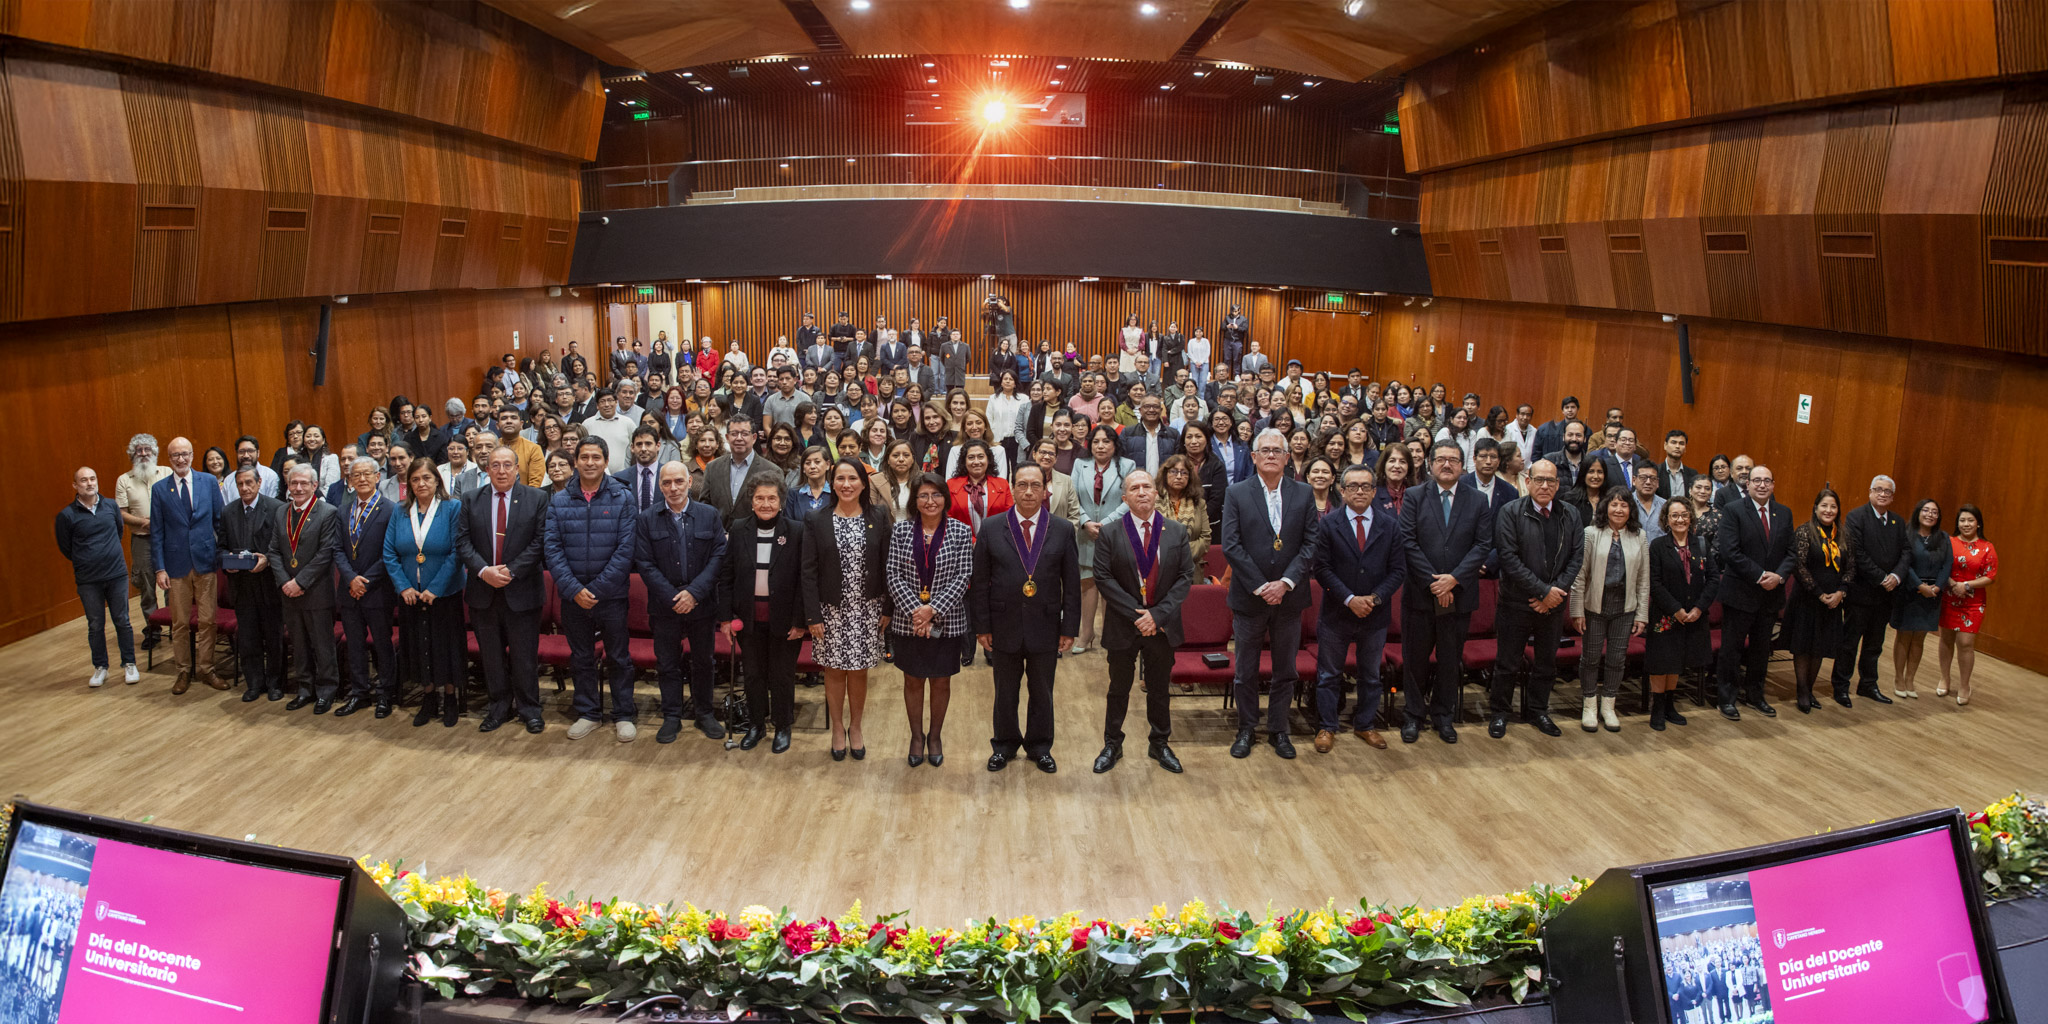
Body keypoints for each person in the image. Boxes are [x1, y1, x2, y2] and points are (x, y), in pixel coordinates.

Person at [972, 461, 1081, 774]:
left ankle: (1040, 746)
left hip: (1046, 624)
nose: (1029, 491)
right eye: (1022, 485)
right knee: (1005, 692)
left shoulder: (1062, 529)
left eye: (1036, 485)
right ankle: (1004, 745)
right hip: (1002, 624)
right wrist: (982, 626)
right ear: (1012, 488)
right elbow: (980, 582)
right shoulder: (992, 527)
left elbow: (1072, 583)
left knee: (1042, 691)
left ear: (1046, 490)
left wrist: (1069, 627)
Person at [1219, 428, 1320, 759]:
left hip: (1290, 597)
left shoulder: (1303, 493)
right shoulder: (1237, 492)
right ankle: (1246, 728)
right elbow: (1231, 544)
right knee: (1246, 670)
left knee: (1285, 670)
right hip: (1250, 596)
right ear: (1254, 457)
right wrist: (1262, 586)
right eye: (1265, 450)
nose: (1272, 455)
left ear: (1288, 457)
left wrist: (1285, 582)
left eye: (1278, 450)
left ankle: (1279, 729)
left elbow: (1311, 543)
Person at [1090, 471, 1191, 774]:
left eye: (1147, 486)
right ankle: (1112, 743)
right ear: (1125, 498)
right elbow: (1103, 578)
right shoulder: (1110, 533)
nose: (1142, 492)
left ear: (1156, 493)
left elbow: (1185, 577)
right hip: (1124, 623)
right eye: (1134, 488)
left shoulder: (1176, 531)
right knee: (1118, 688)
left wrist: (1157, 616)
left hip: (1162, 624)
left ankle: (1159, 743)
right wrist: (1139, 616)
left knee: (1159, 688)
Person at [546, 437, 640, 742]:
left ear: (606, 461)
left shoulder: (623, 498)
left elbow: (626, 549)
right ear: (575, 462)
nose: (589, 462)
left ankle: (623, 713)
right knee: (581, 657)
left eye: (596, 457)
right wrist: (574, 589)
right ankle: (588, 712)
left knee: (619, 657)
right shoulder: (560, 500)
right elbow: (552, 549)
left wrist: (597, 589)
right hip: (572, 596)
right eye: (584, 457)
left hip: (611, 595)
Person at [1400, 441, 1493, 743]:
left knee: (1450, 661)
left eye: (1453, 459)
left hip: (1459, 595)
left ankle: (1443, 716)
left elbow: (1482, 544)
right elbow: (1408, 541)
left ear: (1463, 466)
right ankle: (1413, 715)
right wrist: (1434, 583)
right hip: (1420, 594)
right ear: (1430, 464)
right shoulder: (1414, 496)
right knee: (1415, 660)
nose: (1447, 464)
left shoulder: (1477, 500)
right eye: (1440, 459)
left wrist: (1453, 580)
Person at [1310, 463, 1405, 752]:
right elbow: (1321, 568)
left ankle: (1365, 724)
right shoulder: (1329, 524)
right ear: (1342, 491)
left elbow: (1398, 570)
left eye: (1365, 486)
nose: (1359, 491)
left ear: (1374, 491)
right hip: (1336, 612)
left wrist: (1374, 599)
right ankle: (1327, 726)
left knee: (1371, 675)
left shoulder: (1390, 525)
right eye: (1353, 486)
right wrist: (1350, 599)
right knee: (1329, 675)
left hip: (1375, 613)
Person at [802, 458, 893, 760]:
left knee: (858, 670)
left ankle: (856, 726)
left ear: (863, 484)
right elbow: (808, 571)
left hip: (867, 609)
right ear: (832, 483)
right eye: (840, 478)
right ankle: (837, 728)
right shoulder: (816, 519)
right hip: (830, 610)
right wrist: (812, 615)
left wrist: (888, 608)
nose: (846, 484)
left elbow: (887, 565)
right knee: (833, 670)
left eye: (853, 478)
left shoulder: (878, 516)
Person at [1488, 457, 1584, 738]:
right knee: (1507, 663)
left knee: (1546, 663)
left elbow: (1576, 557)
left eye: (1550, 480)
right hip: (1516, 602)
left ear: (1558, 484)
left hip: (1553, 605)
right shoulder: (1510, 511)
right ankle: (1500, 713)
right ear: (1528, 481)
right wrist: (1542, 591)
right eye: (1539, 480)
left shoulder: (1570, 514)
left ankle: (1538, 710)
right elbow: (1508, 558)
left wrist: (1553, 594)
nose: (1545, 486)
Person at [635, 460, 728, 744]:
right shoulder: (646, 519)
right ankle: (672, 716)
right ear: (660, 486)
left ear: (689, 482)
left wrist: (694, 593)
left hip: (702, 604)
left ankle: (704, 713)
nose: (673, 488)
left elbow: (718, 557)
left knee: (703, 662)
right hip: (665, 606)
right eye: (667, 483)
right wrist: (673, 597)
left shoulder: (709, 515)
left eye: (678, 481)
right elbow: (644, 563)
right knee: (667, 664)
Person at [459, 445, 549, 734]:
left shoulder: (537, 498)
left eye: (507, 465)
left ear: (517, 469)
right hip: (483, 592)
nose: (501, 471)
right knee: (492, 657)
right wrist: (484, 571)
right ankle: (498, 708)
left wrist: (511, 570)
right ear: (487, 470)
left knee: (524, 656)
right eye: (495, 465)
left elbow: (540, 541)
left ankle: (529, 709)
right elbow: (462, 542)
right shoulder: (470, 499)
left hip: (521, 590)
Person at [887, 474, 975, 768]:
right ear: (915, 500)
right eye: (923, 495)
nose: (930, 501)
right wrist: (917, 610)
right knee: (912, 680)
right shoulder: (901, 531)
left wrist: (932, 609)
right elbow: (893, 574)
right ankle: (916, 736)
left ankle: (935, 736)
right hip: (908, 621)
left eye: (936, 494)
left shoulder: (961, 531)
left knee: (940, 681)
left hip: (946, 622)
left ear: (945, 498)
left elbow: (963, 576)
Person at [722, 478, 805, 753]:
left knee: (782, 676)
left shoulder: (796, 531)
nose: (766, 504)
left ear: (781, 502)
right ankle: (756, 725)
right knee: (753, 675)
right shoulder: (739, 528)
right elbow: (727, 575)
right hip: (748, 619)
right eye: (760, 498)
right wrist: (726, 618)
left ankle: (782, 726)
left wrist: (800, 621)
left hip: (785, 620)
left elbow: (804, 581)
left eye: (771, 498)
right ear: (752, 501)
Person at [384, 458, 465, 727]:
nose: (421, 484)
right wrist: (403, 586)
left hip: (445, 594)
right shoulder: (400, 510)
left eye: (426, 478)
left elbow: (457, 552)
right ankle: (428, 697)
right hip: (411, 595)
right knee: (420, 647)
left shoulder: (452, 508)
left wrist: (435, 588)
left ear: (437, 481)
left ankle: (450, 698)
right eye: (415, 479)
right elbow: (389, 552)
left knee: (446, 647)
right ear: (409, 484)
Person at [1715, 464, 1794, 720]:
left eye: (1767, 481)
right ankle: (1727, 698)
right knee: (1732, 650)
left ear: (1773, 485)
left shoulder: (1784, 512)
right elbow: (1730, 551)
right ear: (1747, 484)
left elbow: (1792, 552)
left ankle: (1755, 695)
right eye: (1756, 480)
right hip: (1741, 592)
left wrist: (1779, 576)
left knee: (1761, 650)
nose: (1762, 485)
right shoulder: (1733, 510)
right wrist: (1760, 576)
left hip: (1771, 595)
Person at [151, 437, 227, 694]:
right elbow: (157, 533)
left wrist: (221, 555)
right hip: (176, 565)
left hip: (206, 562)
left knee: (208, 620)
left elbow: (220, 522)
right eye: (175, 455)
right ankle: (183, 670)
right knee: (181, 622)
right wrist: (160, 568)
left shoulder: (208, 482)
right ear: (169, 458)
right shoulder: (160, 489)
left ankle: (207, 668)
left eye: (185, 454)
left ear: (193, 455)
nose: (181, 459)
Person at [1569, 491, 1647, 732]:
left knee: (1617, 659)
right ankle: (1589, 705)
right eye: (1614, 505)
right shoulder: (1591, 533)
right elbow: (1579, 574)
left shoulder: (1639, 535)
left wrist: (1642, 614)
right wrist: (1576, 610)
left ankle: (1609, 706)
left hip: (1625, 606)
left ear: (1630, 510)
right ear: (1606, 508)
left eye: (1624, 505)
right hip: (1594, 604)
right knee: (1590, 658)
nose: (1619, 510)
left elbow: (1644, 579)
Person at [55, 466, 137, 688]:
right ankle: (101, 667)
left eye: (93, 478)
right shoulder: (66, 515)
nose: (89, 483)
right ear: (75, 485)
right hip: (88, 580)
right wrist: (88, 560)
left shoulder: (111, 506)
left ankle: (129, 663)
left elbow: (119, 532)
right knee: (95, 624)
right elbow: (66, 547)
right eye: (84, 480)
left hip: (116, 574)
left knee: (122, 620)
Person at [270, 464, 341, 711]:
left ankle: (326, 690)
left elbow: (325, 553)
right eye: (294, 483)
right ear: (288, 486)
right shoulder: (281, 512)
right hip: (288, 592)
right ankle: (304, 689)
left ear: (314, 485)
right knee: (298, 645)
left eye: (303, 483)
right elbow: (273, 551)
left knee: (322, 645)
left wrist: (300, 582)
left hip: (316, 591)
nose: (298, 488)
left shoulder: (328, 512)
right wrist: (285, 582)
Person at [1645, 500, 1717, 730]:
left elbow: (1713, 579)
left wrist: (1699, 608)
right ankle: (1657, 708)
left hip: (1693, 615)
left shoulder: (1701, 544)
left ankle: (1670, 705)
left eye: (1684, 515)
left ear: (1690, 517)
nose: (1680, 520)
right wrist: (1676, 609)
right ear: (1666, 519)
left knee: (1677, 661)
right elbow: (1654, 583)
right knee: (1661, 661)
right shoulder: (1658, 546)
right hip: (1666, 614)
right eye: (1674, 515)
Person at [1836, 476, 1908, 706]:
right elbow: (1856, 553)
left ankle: (1868, 684)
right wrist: (1882, 578)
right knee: (1850, 643)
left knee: (1875, 644)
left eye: (1888, 492)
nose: (1883, 494)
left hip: (1886, 595)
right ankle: (1841, 686)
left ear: (1892, 497)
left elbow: (1906, 552)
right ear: (1870, 492)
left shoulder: (1897, 521)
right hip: (1861, 592)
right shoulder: (1856, 517)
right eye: (1878, 490)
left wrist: (1896, 576)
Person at [216, 467, 282, 701]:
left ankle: (275, 683)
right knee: (248, 637)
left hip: (268, 584)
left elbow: (282, 546)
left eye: (249, 483)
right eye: (240, 484)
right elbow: (221, 547)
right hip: (241, 585)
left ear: (259, 482)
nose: (244, 488)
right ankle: (254, 683)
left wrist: (267, 559)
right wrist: (227, 562)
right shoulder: (228, 511)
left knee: (273, 637)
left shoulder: (276, 508)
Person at [1783, 486, 1851, 714]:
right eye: (1824, 506)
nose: (1828, 510)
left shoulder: (1843, 534)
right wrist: (1819, 593)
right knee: (1803, 647)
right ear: (1815, 508)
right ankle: (1802, 691)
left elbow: (1851, 567)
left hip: (1833, 600)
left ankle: (1810, 689)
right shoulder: (1804, 532)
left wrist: (1840, 592)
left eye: (1833, 506)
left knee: (1820, 646)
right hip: (1807, 597)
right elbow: (1798, 565)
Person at [1070, 424, 1132, 654]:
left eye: (1106, 441)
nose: (1100, 446)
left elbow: (1129, 498)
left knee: (1110, 584)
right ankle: (1086, 633)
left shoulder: (1127, 465)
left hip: (1114, 532)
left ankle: (1109, 633)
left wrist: (1107, 523)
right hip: (1086, 532)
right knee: (1087, 583)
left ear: (1114, 444)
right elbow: (1072, 497)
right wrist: (1086, 521)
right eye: (1096, 441)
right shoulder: (1080, 464)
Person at [116, 434, 172, 651]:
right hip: (142, 539)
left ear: (155, 452)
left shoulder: (166, 472)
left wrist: (159, 522)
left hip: (168, 538)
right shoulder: (124, 480)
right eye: (138, 450)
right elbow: (121, 513)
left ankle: (175, 625)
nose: (143, 453)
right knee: (147, 587)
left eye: (147, 449)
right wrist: (143, 522)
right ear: (132, 454)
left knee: (172, 583)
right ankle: (153, 630)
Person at [1890, 498, 1948, 700]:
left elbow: (1947, 565)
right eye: (1926, 510)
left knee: (1919, 638)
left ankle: (1910, 679)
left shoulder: (1943, 538)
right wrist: (1919, 586)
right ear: (1918, 512)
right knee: (1904, 636)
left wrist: (1937, 587)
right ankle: (1899, 678)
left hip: (1932, 595)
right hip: (1908, 592)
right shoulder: (1906, 534)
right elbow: (1904, 563)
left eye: (1934, 512)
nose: (1930, 514)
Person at [1938, 505, 1996, 706]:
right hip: (1949, 596)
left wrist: (1967, 585)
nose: (1966, 524)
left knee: (1965, 643)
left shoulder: (1987, 547)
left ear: (1978, 523)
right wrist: (1953, 584)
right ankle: (1944, 678)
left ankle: (1964, 685)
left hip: (1973, 602)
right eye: (1962, 520)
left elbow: (1990, 576)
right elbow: (1940, 567)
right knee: (1946, 639)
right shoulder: (1949, 542)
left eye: (1970, 520)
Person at [1157, 454, 1212, 570]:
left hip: (1192, 568)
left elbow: (1205, 539)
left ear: (1190, 477)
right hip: (1159, 567)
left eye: (1184, 473)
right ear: (1165, 474)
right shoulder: (1153, 502)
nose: (1179, 476)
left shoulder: (1199, 504)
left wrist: (1180, 554)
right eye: (1173, 471)